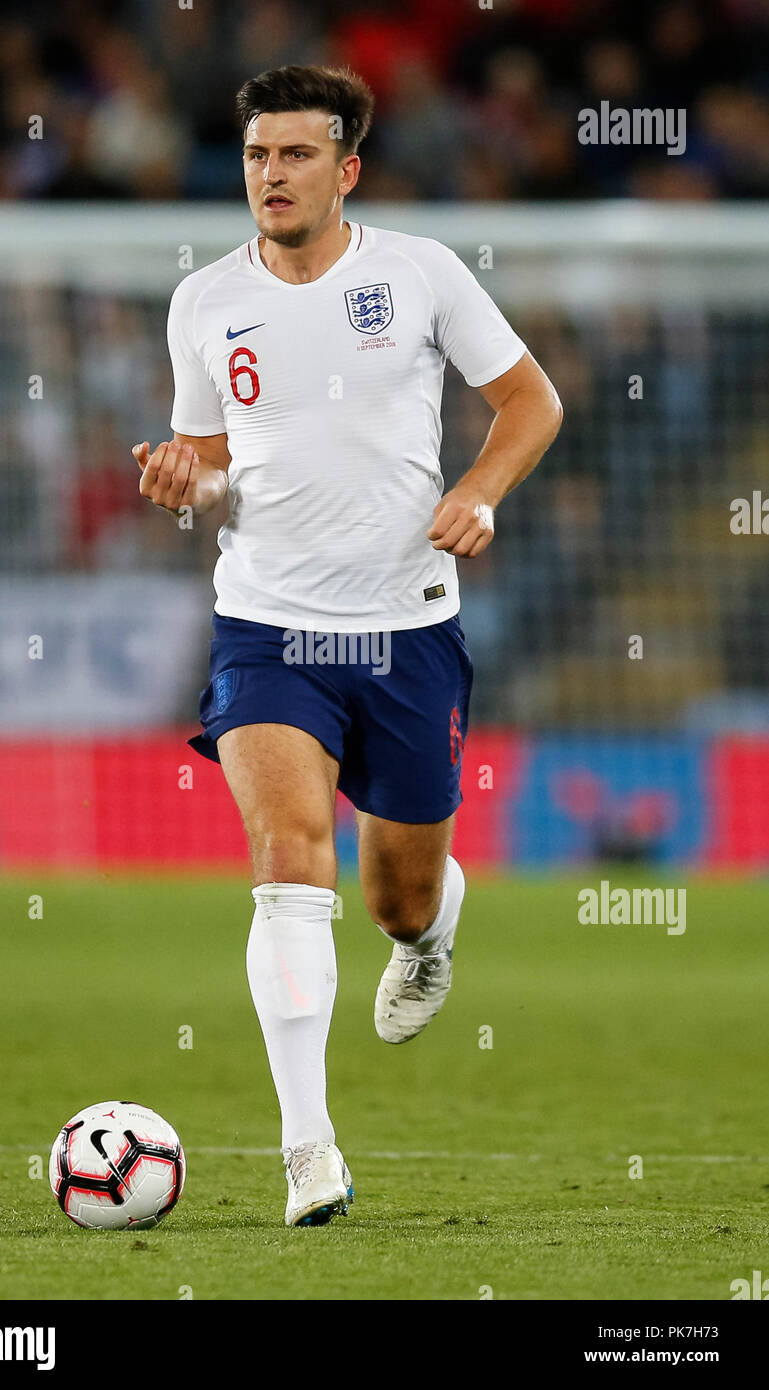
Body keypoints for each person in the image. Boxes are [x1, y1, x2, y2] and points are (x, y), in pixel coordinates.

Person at [134, 64, 562, 1227]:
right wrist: (184, 480)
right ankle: (307, 1150)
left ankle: (428, 932)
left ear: (347, 168)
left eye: (296, 154)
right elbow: (211, 466)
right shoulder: (203, 302)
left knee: (395, 896)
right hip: (266, 625)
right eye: (256, 155)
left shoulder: (419, 274)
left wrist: (478, 491)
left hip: (406, 627)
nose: (270, 174)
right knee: (288, 856)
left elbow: (531, 401)